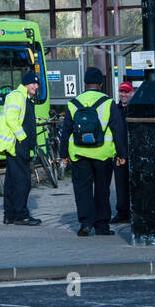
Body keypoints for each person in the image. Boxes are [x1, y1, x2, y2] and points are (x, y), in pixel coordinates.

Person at [58, 67, 127, 236]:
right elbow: (118, 130)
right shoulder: (108, 102)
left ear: (85, 84)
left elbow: (65, 131)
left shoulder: (73, 103)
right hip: (102, 154)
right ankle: (102, 226)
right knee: (102, 190)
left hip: (79, 153)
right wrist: (121, 154)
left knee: (82, 189)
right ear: (101, 85)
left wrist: (64, 155)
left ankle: (85, 223)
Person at [0, 70, 42, 225]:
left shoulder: (24, 97)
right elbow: (12, 119)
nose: (36, 86)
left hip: (19, 145)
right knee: (23, 181)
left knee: (12, 181)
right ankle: (21, 215)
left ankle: (10, 214)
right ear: (26, 83)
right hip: (18, 144)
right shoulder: (17, 96)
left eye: (37, 83)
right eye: (34, 83)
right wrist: (23, 138)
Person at [112, 81, 133, 223]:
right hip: (119, 151)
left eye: (126, 92)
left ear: (132, 93)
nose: (123, 95)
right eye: (121, 92)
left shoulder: (136, 108)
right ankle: (122, 212)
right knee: (120, 183)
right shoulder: (115, 109)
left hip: (133, 151)